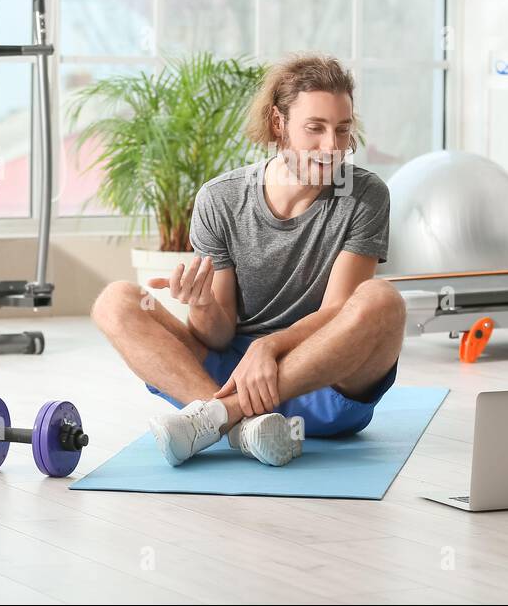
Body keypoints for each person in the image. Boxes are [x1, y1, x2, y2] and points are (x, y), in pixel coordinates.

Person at [90, 54, 406, 468]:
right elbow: (218, 337)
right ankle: (246, 429)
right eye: (315, 128)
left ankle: (220, 418)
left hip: (325, 382)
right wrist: (203, 304)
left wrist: (269, 346)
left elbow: (336, 312)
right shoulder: (220, 199)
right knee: (114, 301)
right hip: (226, 378)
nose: (333, 147)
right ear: (278, 123)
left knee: (382, 300)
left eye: (342, 129)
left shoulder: (364, 195)